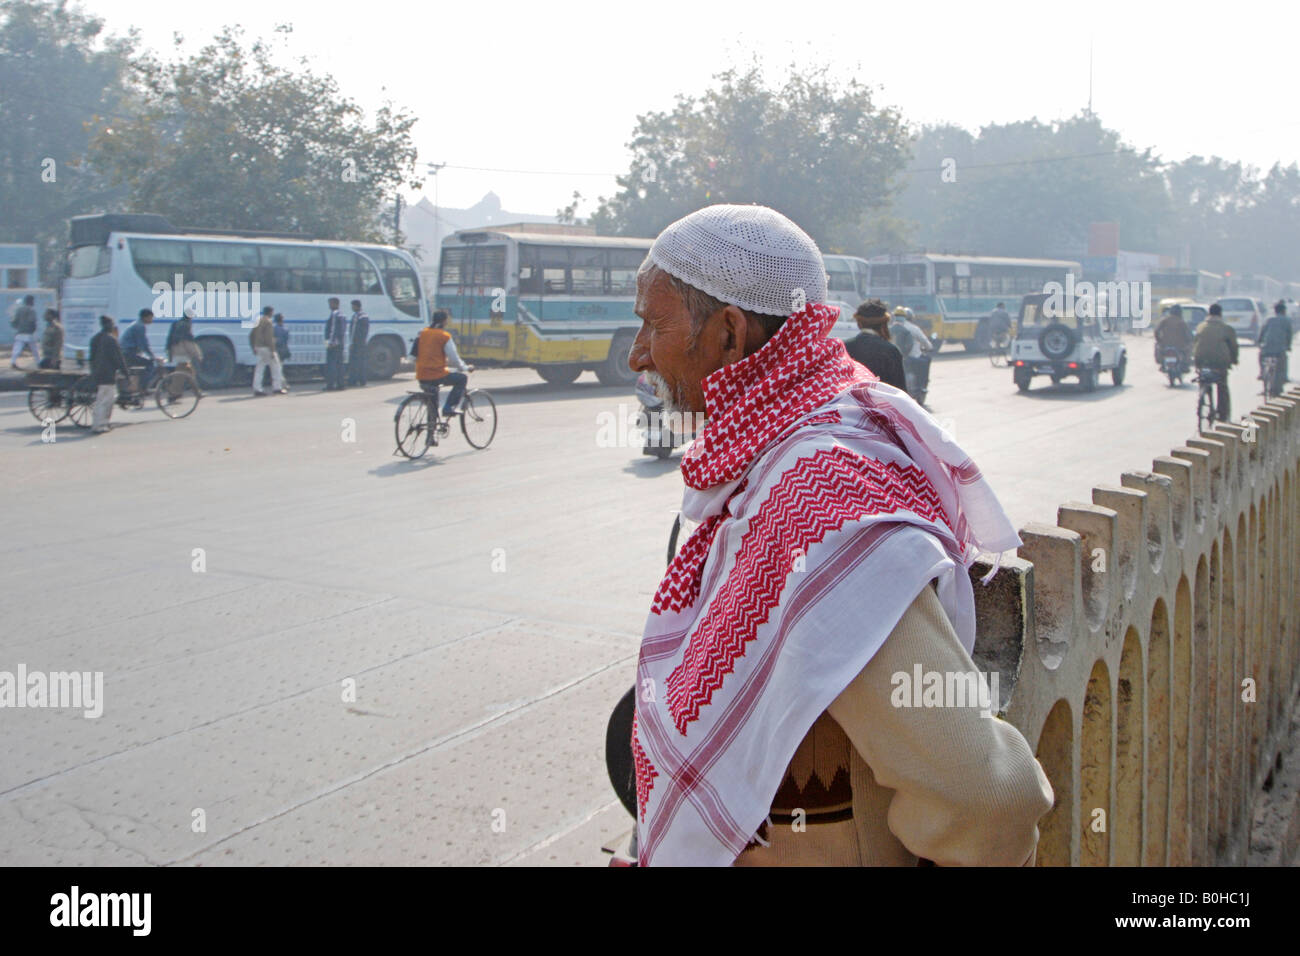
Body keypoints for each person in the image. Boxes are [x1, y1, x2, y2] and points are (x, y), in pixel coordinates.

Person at [626, 204, 1052, 867]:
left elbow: (989, 796)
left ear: (730, 334)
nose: (637, 355)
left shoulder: (816, 494)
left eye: (654, 326)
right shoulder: (797, 437)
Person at [411, 308, 471, 417]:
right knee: (462, 379)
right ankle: (448, 407)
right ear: (444, 321)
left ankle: (431, 431)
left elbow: (412, 356)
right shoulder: (444, 336)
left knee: (433, 403)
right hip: (436, 375)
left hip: (421, 376)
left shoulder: (421, 333)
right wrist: (465, 368)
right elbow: (454, 358)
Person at [843, 299, 907, 390]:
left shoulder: (844, 348)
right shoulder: (891, 351)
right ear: (884, 324)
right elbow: (901, 392)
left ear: (859, 323)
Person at [1193, 303, 1238, 422]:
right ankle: (1223, 415)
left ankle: (1203, 397)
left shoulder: (1200, 327)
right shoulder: (1227, 329)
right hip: (1219, 364)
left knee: (1204, 380)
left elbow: (1195, 344)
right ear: (1220, 314)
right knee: (1222, 386)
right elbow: (1233, 347)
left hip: (1201, 362)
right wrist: (1234, 360)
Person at [88, 315, 129, 434]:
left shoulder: (95, 338)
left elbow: (91, 358)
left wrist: (93, 372)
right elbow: (118, 358)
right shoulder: (111, 340)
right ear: (109, 325)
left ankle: (97, 423)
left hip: (97, 373)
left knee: (100, 400)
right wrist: (126, 372)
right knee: (106, 401)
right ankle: (101, 424)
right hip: (108, 375)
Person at [890, 306, 933, 404]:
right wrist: (930, 348)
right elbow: (924, 341)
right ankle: (922, 385)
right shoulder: (912, 328)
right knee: (926, 360)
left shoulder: (891, 328)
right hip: (912, 357)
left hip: (895, 357)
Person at [1257, 301, 1292, 396]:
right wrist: (1288, 346)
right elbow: (1289, 336)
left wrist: (1259, 342)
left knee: (1261, 357)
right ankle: (1283, 379)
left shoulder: (1269, 319)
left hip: (1266, 349)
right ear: (1284, 311)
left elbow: (1262, 332)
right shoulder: (1287, 320)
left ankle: (1261, 373)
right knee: (1281, 366)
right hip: (1280, 350)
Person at [120, 308, 158, 395]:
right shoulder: (140, 326)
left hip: (126, 352)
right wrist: (153, 357)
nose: (152, 320)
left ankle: (135, 387)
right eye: (151, 318)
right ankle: (143, 388)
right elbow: (143, 345)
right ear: (146, 317)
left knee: (140, 366)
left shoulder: (136, 324)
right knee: (150, 364)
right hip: (129, 353)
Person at [249, 306, 286, 396]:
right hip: (266, 348)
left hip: (258, 347)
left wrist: (253, 347)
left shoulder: (258, 321)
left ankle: (257, 388)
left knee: (260, 368)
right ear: (270, 313)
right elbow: (269, 338)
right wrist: (273, 351)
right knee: (276, 367)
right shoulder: (268, 322)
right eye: (272, 312)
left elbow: (251, 335)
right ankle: (277, 388)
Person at [323, 297, 347, 390]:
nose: (329, 306)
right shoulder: (342, 314)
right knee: (339, 364)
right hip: (340, 343)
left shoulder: (334, 314)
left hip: (333, 344)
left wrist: (330, 342)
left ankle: (330, 385)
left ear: (335, 304)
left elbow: (333, 330)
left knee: (331, 364)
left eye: (331, 303)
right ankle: (341, 384)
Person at [9, 294, 40, 368]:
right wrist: (33, 330)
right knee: (34, 349)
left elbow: (14, 322)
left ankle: (13, 362)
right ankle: (39, 362)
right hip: (29, 333)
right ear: (30, 301)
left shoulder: (19, 310)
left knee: (17, 348)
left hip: (20, 332)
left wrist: (18, 327)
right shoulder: (32, 310)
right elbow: (32, 322)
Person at [346, 299, 370, 387]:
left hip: (357, 343)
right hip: (360, 343)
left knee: (355, 363)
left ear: (356, 306)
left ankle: (354, 380)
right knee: (360, 362)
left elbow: (355, 331)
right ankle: (361, 380)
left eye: (352, 306)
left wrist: (352, 343)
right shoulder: (362, 315)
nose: (352, 308)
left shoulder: (358, 316)